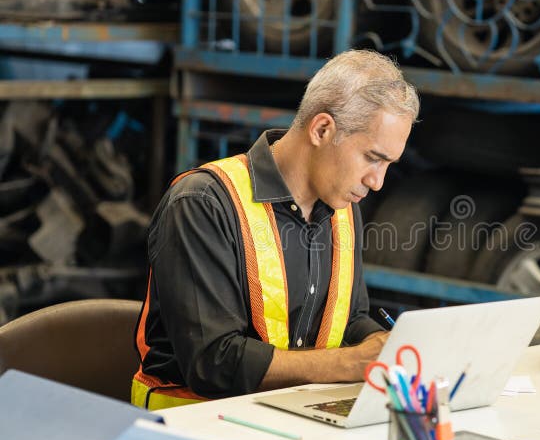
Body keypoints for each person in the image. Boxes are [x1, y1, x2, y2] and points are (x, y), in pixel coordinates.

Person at [132, 50, 420, 409]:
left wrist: (391, 348)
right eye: (372, 158)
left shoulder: (342, 210)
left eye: (388, 164)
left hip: (283, 418)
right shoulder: (202, 203)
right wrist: (352, 362)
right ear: (322, 129)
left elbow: (349, 321)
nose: (377, 182)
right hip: (191, 430)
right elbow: (213, 363)